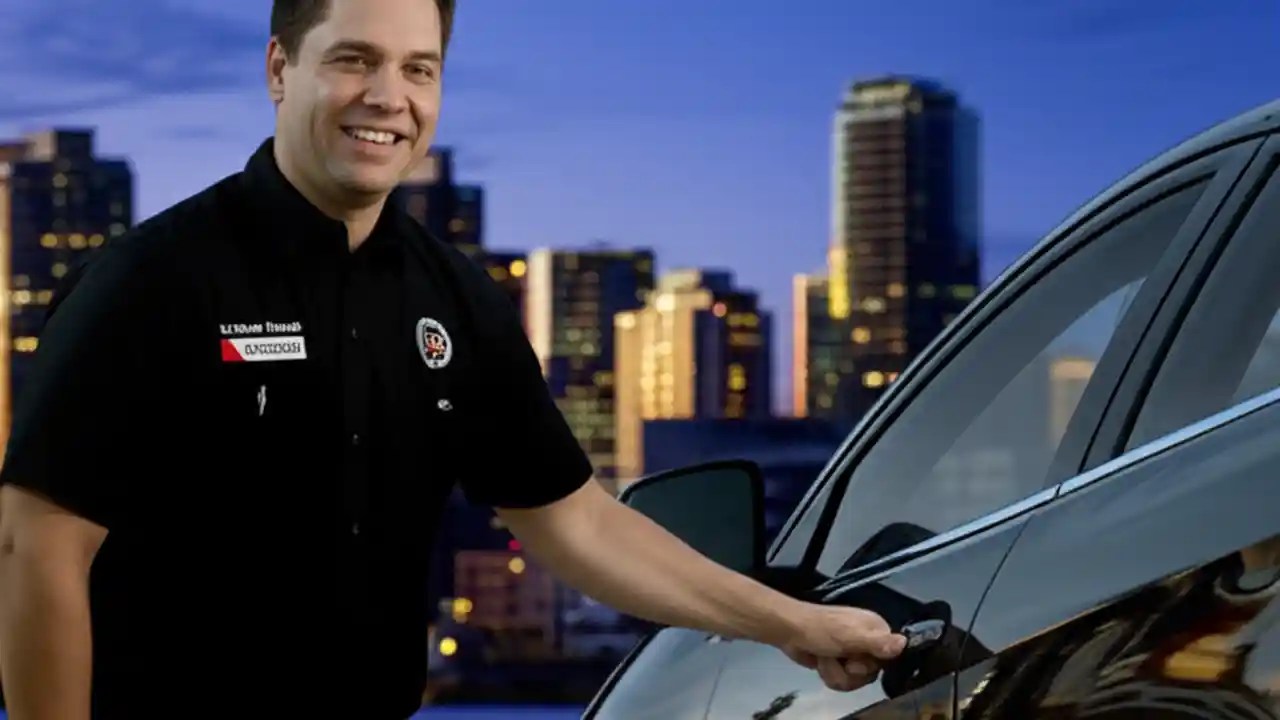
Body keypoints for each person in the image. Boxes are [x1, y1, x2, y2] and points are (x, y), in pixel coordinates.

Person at [0, 0, 905, 717]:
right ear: (281, 69)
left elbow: (577, 524)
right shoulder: (153, 280)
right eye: (354, 59)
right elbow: (37, 551)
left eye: (418, 69)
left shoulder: (454, 299)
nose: (388, 96)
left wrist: (793, 625)